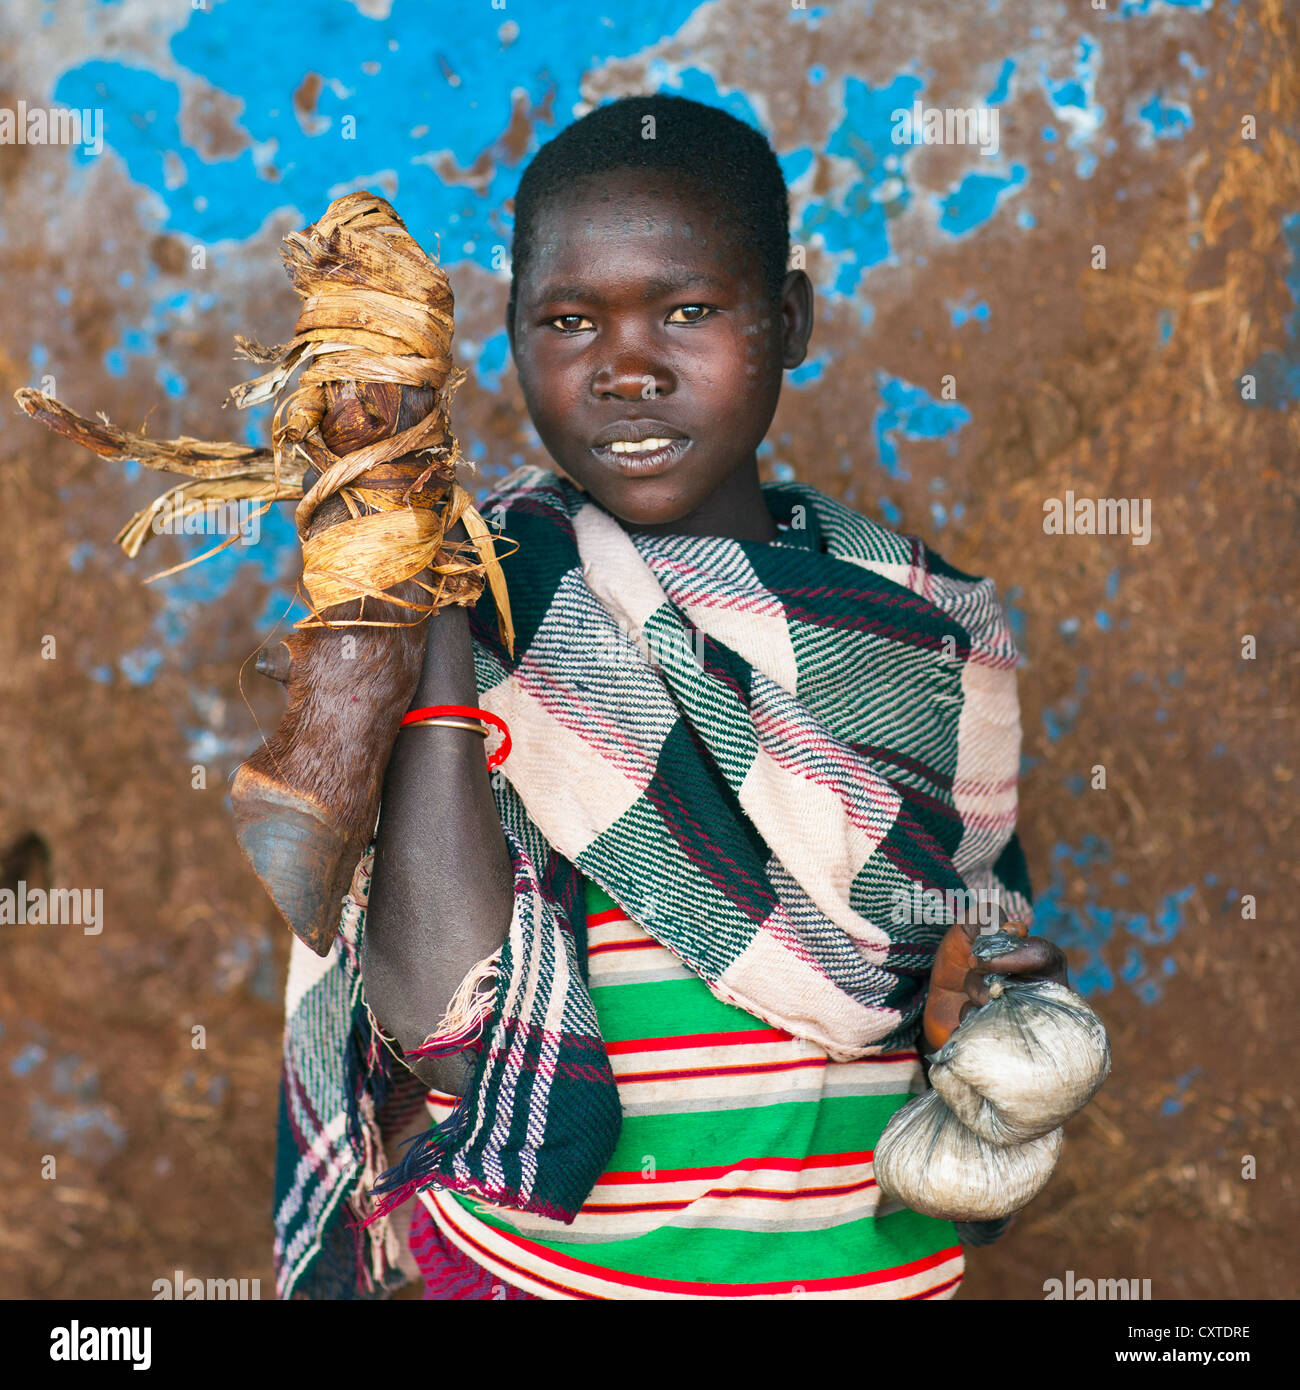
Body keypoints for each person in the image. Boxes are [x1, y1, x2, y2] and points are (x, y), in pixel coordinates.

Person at [272, 92, 1069, 1301]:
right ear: (511, 338)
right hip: (538, 1268)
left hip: (865, 1273)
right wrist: (430, 602)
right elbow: (442, 1033)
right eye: (570, 320)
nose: (629, 366)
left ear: (788, 318)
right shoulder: (471, 606)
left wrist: (995, 1002)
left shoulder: (925, 631)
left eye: (689, 311)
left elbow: (976, 980)